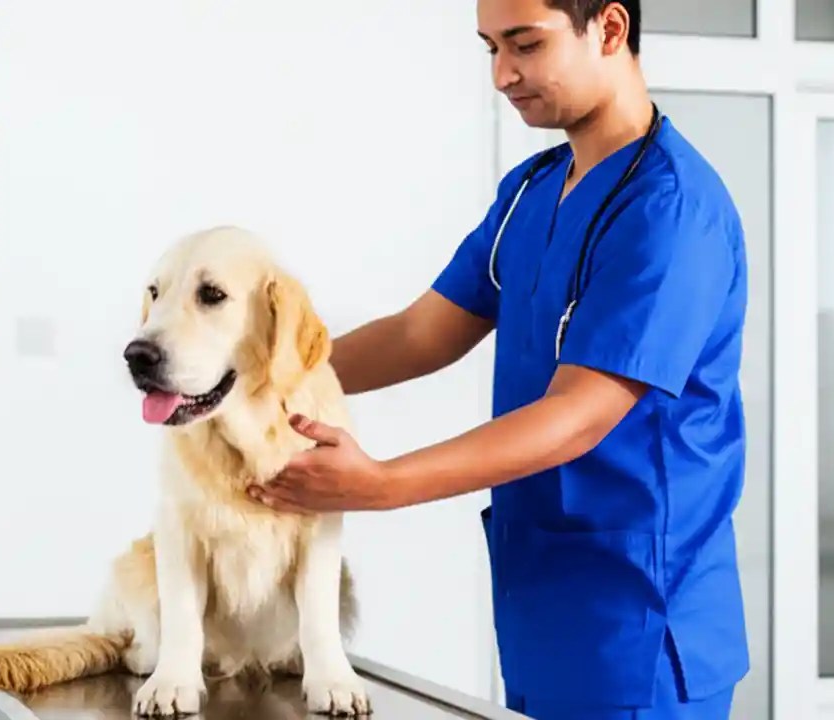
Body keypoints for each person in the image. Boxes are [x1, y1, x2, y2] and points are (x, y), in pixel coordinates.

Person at [246, 0, 750, 718]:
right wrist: (263, 387)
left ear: (609, 29)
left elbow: (577, 416)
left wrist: (379, 484)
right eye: (490, 48)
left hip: (640, 624)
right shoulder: (530, 192)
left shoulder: (670, 212)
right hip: (542, 606)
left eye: (525, 45)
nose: (502, 74)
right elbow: (423, 331)